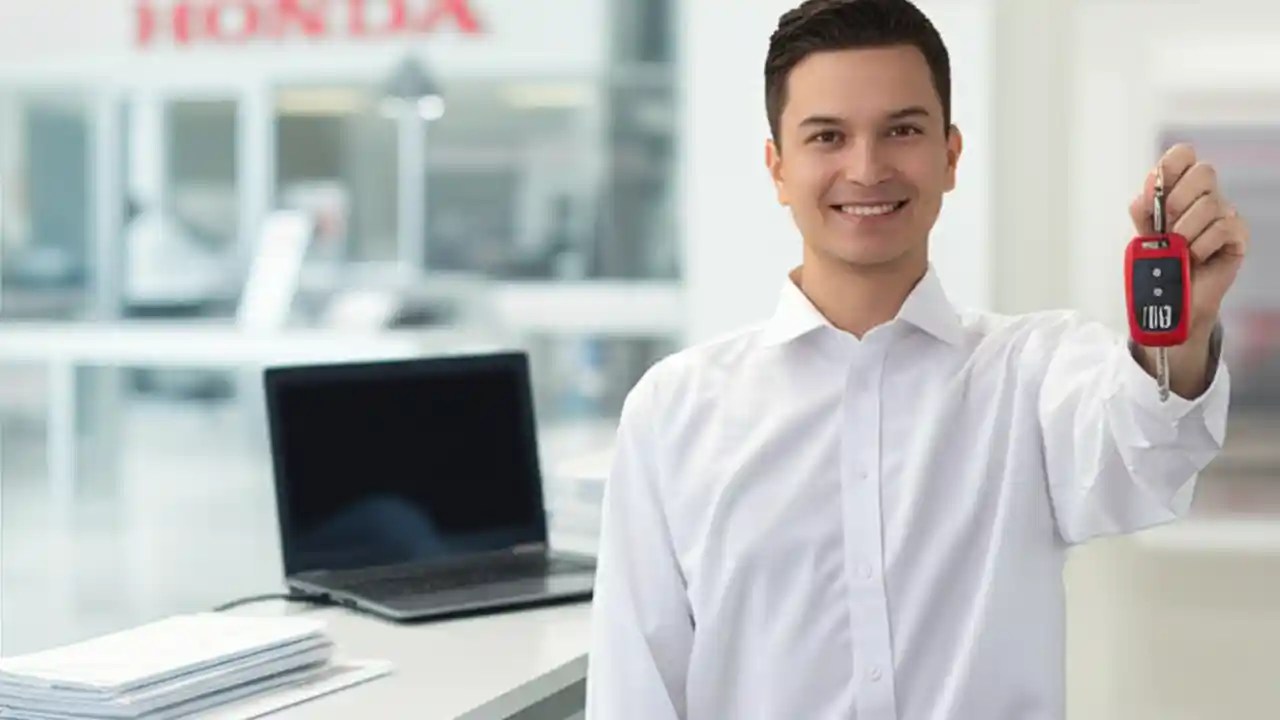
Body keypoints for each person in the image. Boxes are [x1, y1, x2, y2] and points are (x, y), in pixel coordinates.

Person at [583, 1, 1250, 719]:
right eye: (828, 136)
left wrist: (1184, 327)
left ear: (949, 156)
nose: (866, 168)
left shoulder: (1031, 374)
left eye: (900, 130)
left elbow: (1146, 453)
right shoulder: (674, 411)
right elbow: (634, 690)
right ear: (778, 168)